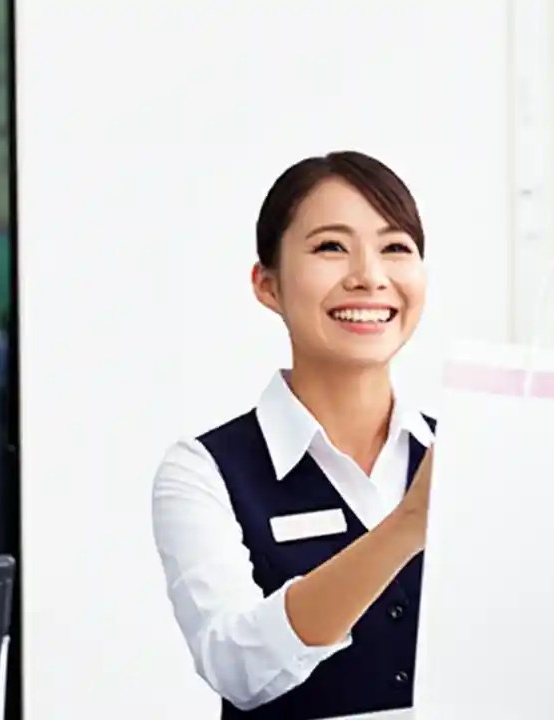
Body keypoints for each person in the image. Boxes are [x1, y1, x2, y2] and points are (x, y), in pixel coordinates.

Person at [152, 151, 438, 720]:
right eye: (331, 247)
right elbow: (237, 668)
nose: (369, 276)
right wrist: (407, 527)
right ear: (267, 284)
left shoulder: (470, 453)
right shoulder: (204, 470)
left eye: (395, 248)